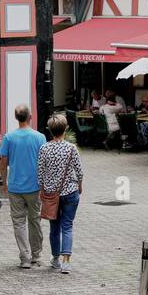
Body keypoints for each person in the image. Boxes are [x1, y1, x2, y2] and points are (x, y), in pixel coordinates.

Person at [0, 104, 46, 269]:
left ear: (16, 117)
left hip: (16, 187)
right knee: (35, 220)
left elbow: (3, 163)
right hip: (35, 186)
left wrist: (4, 182)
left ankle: (24, 257)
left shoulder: (9, 138)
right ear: (30, 116)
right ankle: (36, 255)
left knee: (19, 222)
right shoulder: (40, 137)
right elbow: (44, 163)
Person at [38, 114, 84, 273]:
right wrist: (80, 185)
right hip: (70, 191)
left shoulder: (44, 148)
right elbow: (79, 171)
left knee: (54, 227)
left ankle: (55, 258)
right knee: (67, 226)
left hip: (51, 194)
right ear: (65, 129)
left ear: (50, 131)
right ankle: (66, 261)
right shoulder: (71, 148)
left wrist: (43, 189)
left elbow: (40, 173)